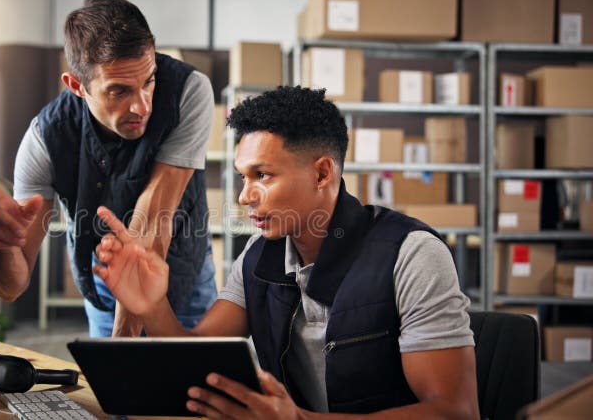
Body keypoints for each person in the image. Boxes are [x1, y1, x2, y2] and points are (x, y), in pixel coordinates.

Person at [92, 86, 480, 418]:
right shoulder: (258, 257)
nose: (244, 196)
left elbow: (454, 412)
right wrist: (153, 307)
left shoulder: (413, 255)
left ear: (322, 174)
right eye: (244, 177)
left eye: (263, 175)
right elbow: (200, 366)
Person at [0, 0, 217, 337]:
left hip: (186, 273)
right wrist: (3, 247)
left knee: (192, 384)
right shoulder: (45, 138)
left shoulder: (189, 90)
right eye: (119, 91)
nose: (142, 105)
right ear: (76, 86)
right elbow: (10, 287)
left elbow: (152, 226)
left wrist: (120, 353)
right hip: (105, 279)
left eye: (149, 81)